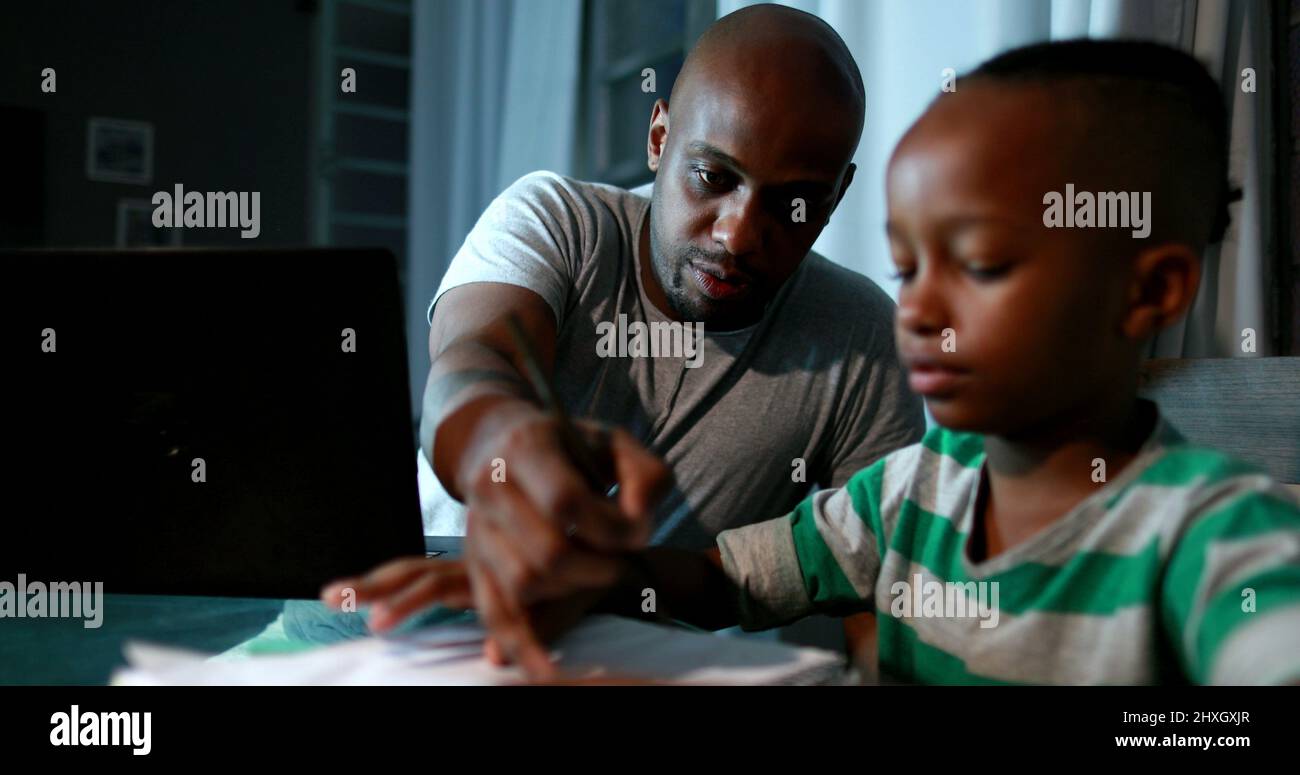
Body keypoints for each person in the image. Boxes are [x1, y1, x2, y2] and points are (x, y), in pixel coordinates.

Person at [330, 39, 1300, 684]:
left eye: (981, 265)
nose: (916, 309)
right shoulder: (906, 495)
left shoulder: (1210, 531)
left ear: (1148, 293)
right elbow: (720, 578)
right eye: (907, 263)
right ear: (659, 139)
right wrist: (576, 567)